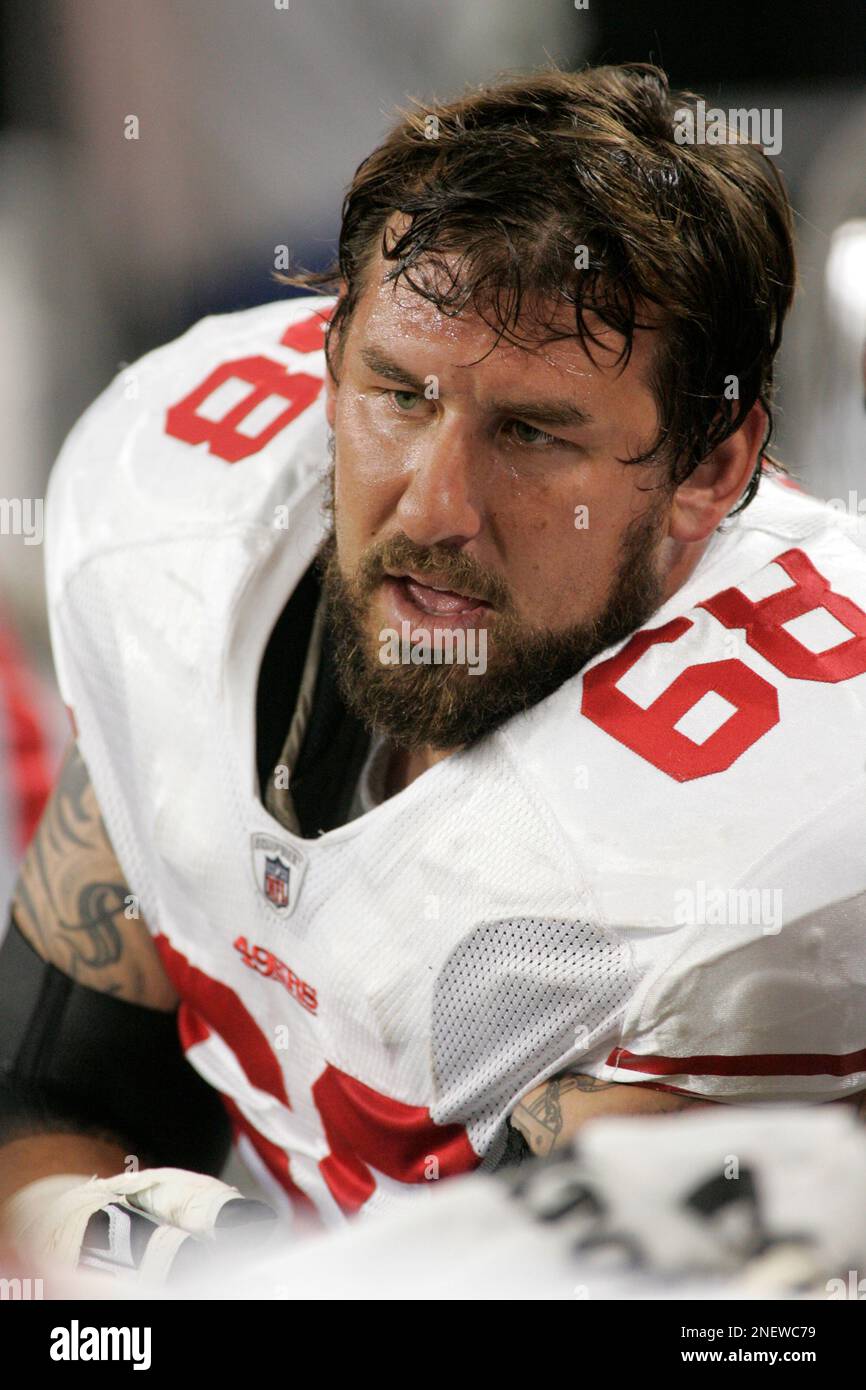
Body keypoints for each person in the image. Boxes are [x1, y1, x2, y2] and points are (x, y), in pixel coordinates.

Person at [2, 62, 865, 1283]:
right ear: (327, 357)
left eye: (532, 432)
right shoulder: (177, 535)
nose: (435, 505)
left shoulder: (776, 825)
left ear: (708, 472)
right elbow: (41, 1089)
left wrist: (150, 1262)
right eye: (398, 394)